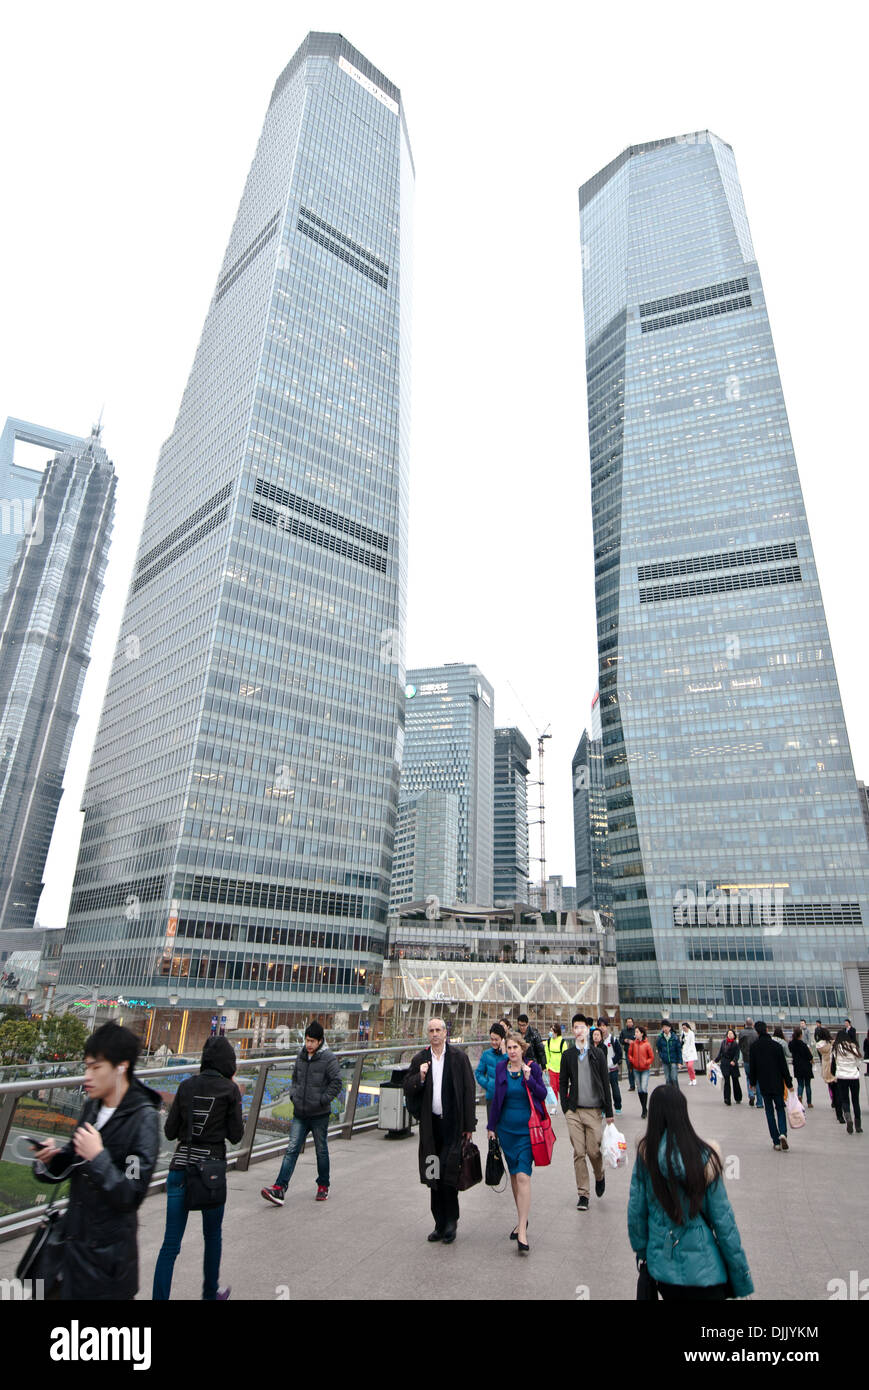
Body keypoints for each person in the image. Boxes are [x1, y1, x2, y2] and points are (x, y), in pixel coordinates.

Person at [32, 1022, 161, 1300]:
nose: (87, 1076)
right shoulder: (93, 1106)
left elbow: (131, 1193)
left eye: (95, 1067)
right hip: (72, 1249)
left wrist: (98, 1157)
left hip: (108, 1263)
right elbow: (73, 1159)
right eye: (86, 1067)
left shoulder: (144, 1119)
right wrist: (50, 1159)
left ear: (121, 1067)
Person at [627, 1086, 753, 1301]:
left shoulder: (646, 1157)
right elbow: (724, 1222)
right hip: (706, 1271)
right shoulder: (706, 1157)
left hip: (664, 1269)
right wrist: (740, 1275)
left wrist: (643, 1252)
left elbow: (636, 1214)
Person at [153, 1036, 243, 1300]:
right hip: (211, 1173)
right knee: (212, 1235)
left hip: (180, 1168)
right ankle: (209, 1294)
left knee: (170, 1245)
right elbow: (237, 1135)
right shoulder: (230, 1090)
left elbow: (170, 1132)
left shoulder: (186, 1086)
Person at [403, 1016, 476, 1243]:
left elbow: (468, 1091)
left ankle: (451, 1222)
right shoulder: (420, 1059)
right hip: (431, 1129)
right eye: (431, 1030)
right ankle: (439, 1222)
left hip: (452, 1126)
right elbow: (408, 1087)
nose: (435, 1034)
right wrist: (421, 1076)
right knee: (433, 1175)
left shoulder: (458, 1058)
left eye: (438, 1030)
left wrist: (468, 1126)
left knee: (449, 1175)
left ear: (446, 1033)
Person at [261, 1020, 342, 1206]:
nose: (309, 1045)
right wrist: (294, 1095)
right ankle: (279, 1188)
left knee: (321, 1150)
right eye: (307, 1040)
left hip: (319, 1114)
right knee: (291, 1150)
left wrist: (323, 1099)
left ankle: (323, 1185)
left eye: (312, 1041)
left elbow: (336, 1082)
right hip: (300, 1112)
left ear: (320, 1041)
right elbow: (295, 1078)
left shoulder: (328, 1058)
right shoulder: (301, 1055)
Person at [486, 1031, 549, 1252]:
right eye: (509, 1048)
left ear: (522, 1049)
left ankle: (522, 1230)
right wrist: (491, 1127)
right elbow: (496, 1100)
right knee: (514, 1176)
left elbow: (542, 1095)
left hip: (527, 1132)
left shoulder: (533, 1069)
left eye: (515, 1048)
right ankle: (521, 1219)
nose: (512, 1051)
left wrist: (530, 1079)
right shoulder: (501, 1068)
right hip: (506, 1131)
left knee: (523, 1175)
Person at [560, 1013, 614, 1212]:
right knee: (579, 1153)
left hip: (593, 1111)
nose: (579, 1031)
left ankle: (599, 1175)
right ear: (573, 1031)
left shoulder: (597, 1054)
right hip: (574, 1110)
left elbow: (605, 1083)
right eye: (576, 1027)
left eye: (582, 1027)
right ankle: (583, 1194)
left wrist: (609, 1112)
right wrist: (565, 1108)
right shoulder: (568, 1055)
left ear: (587, 1031)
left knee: (593, 1150)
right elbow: (563, 1082)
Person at [748, 1020, 794, 1151]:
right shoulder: (776, 1046)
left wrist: (752, 1083)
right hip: (777, 1083)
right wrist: (789, 1083)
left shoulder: (754, 1047)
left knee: (769, 1111)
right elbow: (783, 1067)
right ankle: (783, 1133)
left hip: (764, 1084)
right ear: (767, 1030)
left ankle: (776, 1141)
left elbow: (753, 1067)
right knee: (780, 1108)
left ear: (757, 1032)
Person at [831, 1029, 863, 1134]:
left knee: (845, 1100)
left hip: (841, 1077)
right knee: (855, 1100)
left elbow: (834, 1063)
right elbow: (858, 1063)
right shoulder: (853, 1047)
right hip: (853, 1077)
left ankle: (848, 1117)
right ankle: (858, 1126)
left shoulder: (836, 1049)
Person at [475, 1022, 507, 1109]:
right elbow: (478, 1073)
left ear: (502, 1039)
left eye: (496, 1040)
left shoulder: (509, 1053)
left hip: (507, 1098)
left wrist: (504, 1054)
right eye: (492, 1039)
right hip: (491, 1097)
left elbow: (512, 1069)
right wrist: (488, 1084)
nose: (494, 1042)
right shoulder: (486, 1054)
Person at [598, 1018, 623, 1113]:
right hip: (601, 1070)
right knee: (603, 1090)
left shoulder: (612, 1039)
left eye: (604, 1026)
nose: (602, 1028)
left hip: (612, 1069)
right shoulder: (597, 1040)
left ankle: (618, 1107)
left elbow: (619, 1053)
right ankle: (604, 1109)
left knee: (615, 1088)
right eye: (600, 1026)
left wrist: (611, 1062)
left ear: (607, 1027)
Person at [628, 1026, 654, 1118]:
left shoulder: (647, 1044)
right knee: (639, 1089)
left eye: (637, 1032)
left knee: (644, 1088)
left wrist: (646, 1062)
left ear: (642, 1033)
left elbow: (651, 1057)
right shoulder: (633, 1044)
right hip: (636, 1069)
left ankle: (644, 1109)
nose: (636, 1033)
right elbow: (629, 1054)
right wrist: (633, 1060)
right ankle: (644, 1108)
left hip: (645, 1069)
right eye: (635, 1032)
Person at [714, 1029, 743, 1106]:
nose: (730, 1035)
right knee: (726, 1081)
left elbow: (737, 1054)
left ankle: (738, 1098)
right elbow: (720, 1053)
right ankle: (727, 1099)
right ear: (727, 1035)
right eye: (729, 1033)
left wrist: (734, 1061)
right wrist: (715, 1060)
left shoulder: (736, 1044)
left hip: (733, 1064)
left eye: (731, 1034)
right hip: (725, 1064)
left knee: (735, 1081)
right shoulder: (723, 1042)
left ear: (734, 1035)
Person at [788, 1026, 814, 1109]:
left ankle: (799, 1096)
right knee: (808, 1085)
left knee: (800, 1084)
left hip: (797, 1066)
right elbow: (810, 1056)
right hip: (806, 1066)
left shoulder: (791, 1044)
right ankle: (809, 1103)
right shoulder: (803, 1045)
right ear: (800, 1035)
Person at [815, 1028, 838, 1116]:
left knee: (830, 1084)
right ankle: (837, 1099)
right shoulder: (833, 1043)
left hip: (826, 1064)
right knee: (836, 1083)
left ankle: (833, 1100)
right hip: (834, 1064)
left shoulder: (820, 1045)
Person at [737, 1019, 759, 1107]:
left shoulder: (742, 1033)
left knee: (748, 1077)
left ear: (745, 1024)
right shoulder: (756, 1033)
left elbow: (740, 1046)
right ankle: (758, 1097)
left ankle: (751, 1094)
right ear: (752, 1024)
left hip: (746, 1058)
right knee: (757, 1078)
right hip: (756, 1059)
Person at [544, 1022, 568, 1098]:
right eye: (550, 1030)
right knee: (553, 1089)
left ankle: (567, 1104)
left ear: (556, 1032)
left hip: (561, 1069)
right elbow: (547, 1055)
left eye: (552, 1030)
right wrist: (547, 1066)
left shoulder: (562, 1042)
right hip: (552, 1069)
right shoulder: (548, 1042)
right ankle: (554, 1107)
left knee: (562, 1089)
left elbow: (565, 1056)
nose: (550, 1032)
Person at [656, 1020, 682, 1086]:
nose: (665, 1029)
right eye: (663, 1027)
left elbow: (679, 1050)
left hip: (674, 1060)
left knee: (674, 1078)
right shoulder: (660, 1038)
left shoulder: (675, 1038)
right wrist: (661, 1056)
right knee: (667, 1079)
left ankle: (676, 1093)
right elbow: (659, 1049)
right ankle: (669, 1094)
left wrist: (680, 1062)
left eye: (666, 1027)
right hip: (665, 1061)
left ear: (670, 1028)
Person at [619, 1017, 636, 1091]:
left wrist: (633, 1041)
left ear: (632, 1023)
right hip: (628, 1052)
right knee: (630, 1069)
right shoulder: (623, 1031)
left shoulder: (636, 1031)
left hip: (636, 1052)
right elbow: (620, 1040)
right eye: (628, 1022)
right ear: (626, 1023)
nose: (629, 1023)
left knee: (636, 1068)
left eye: (630, 1022)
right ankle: (632, 1085)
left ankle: (638, 1083)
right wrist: (625, 1040)